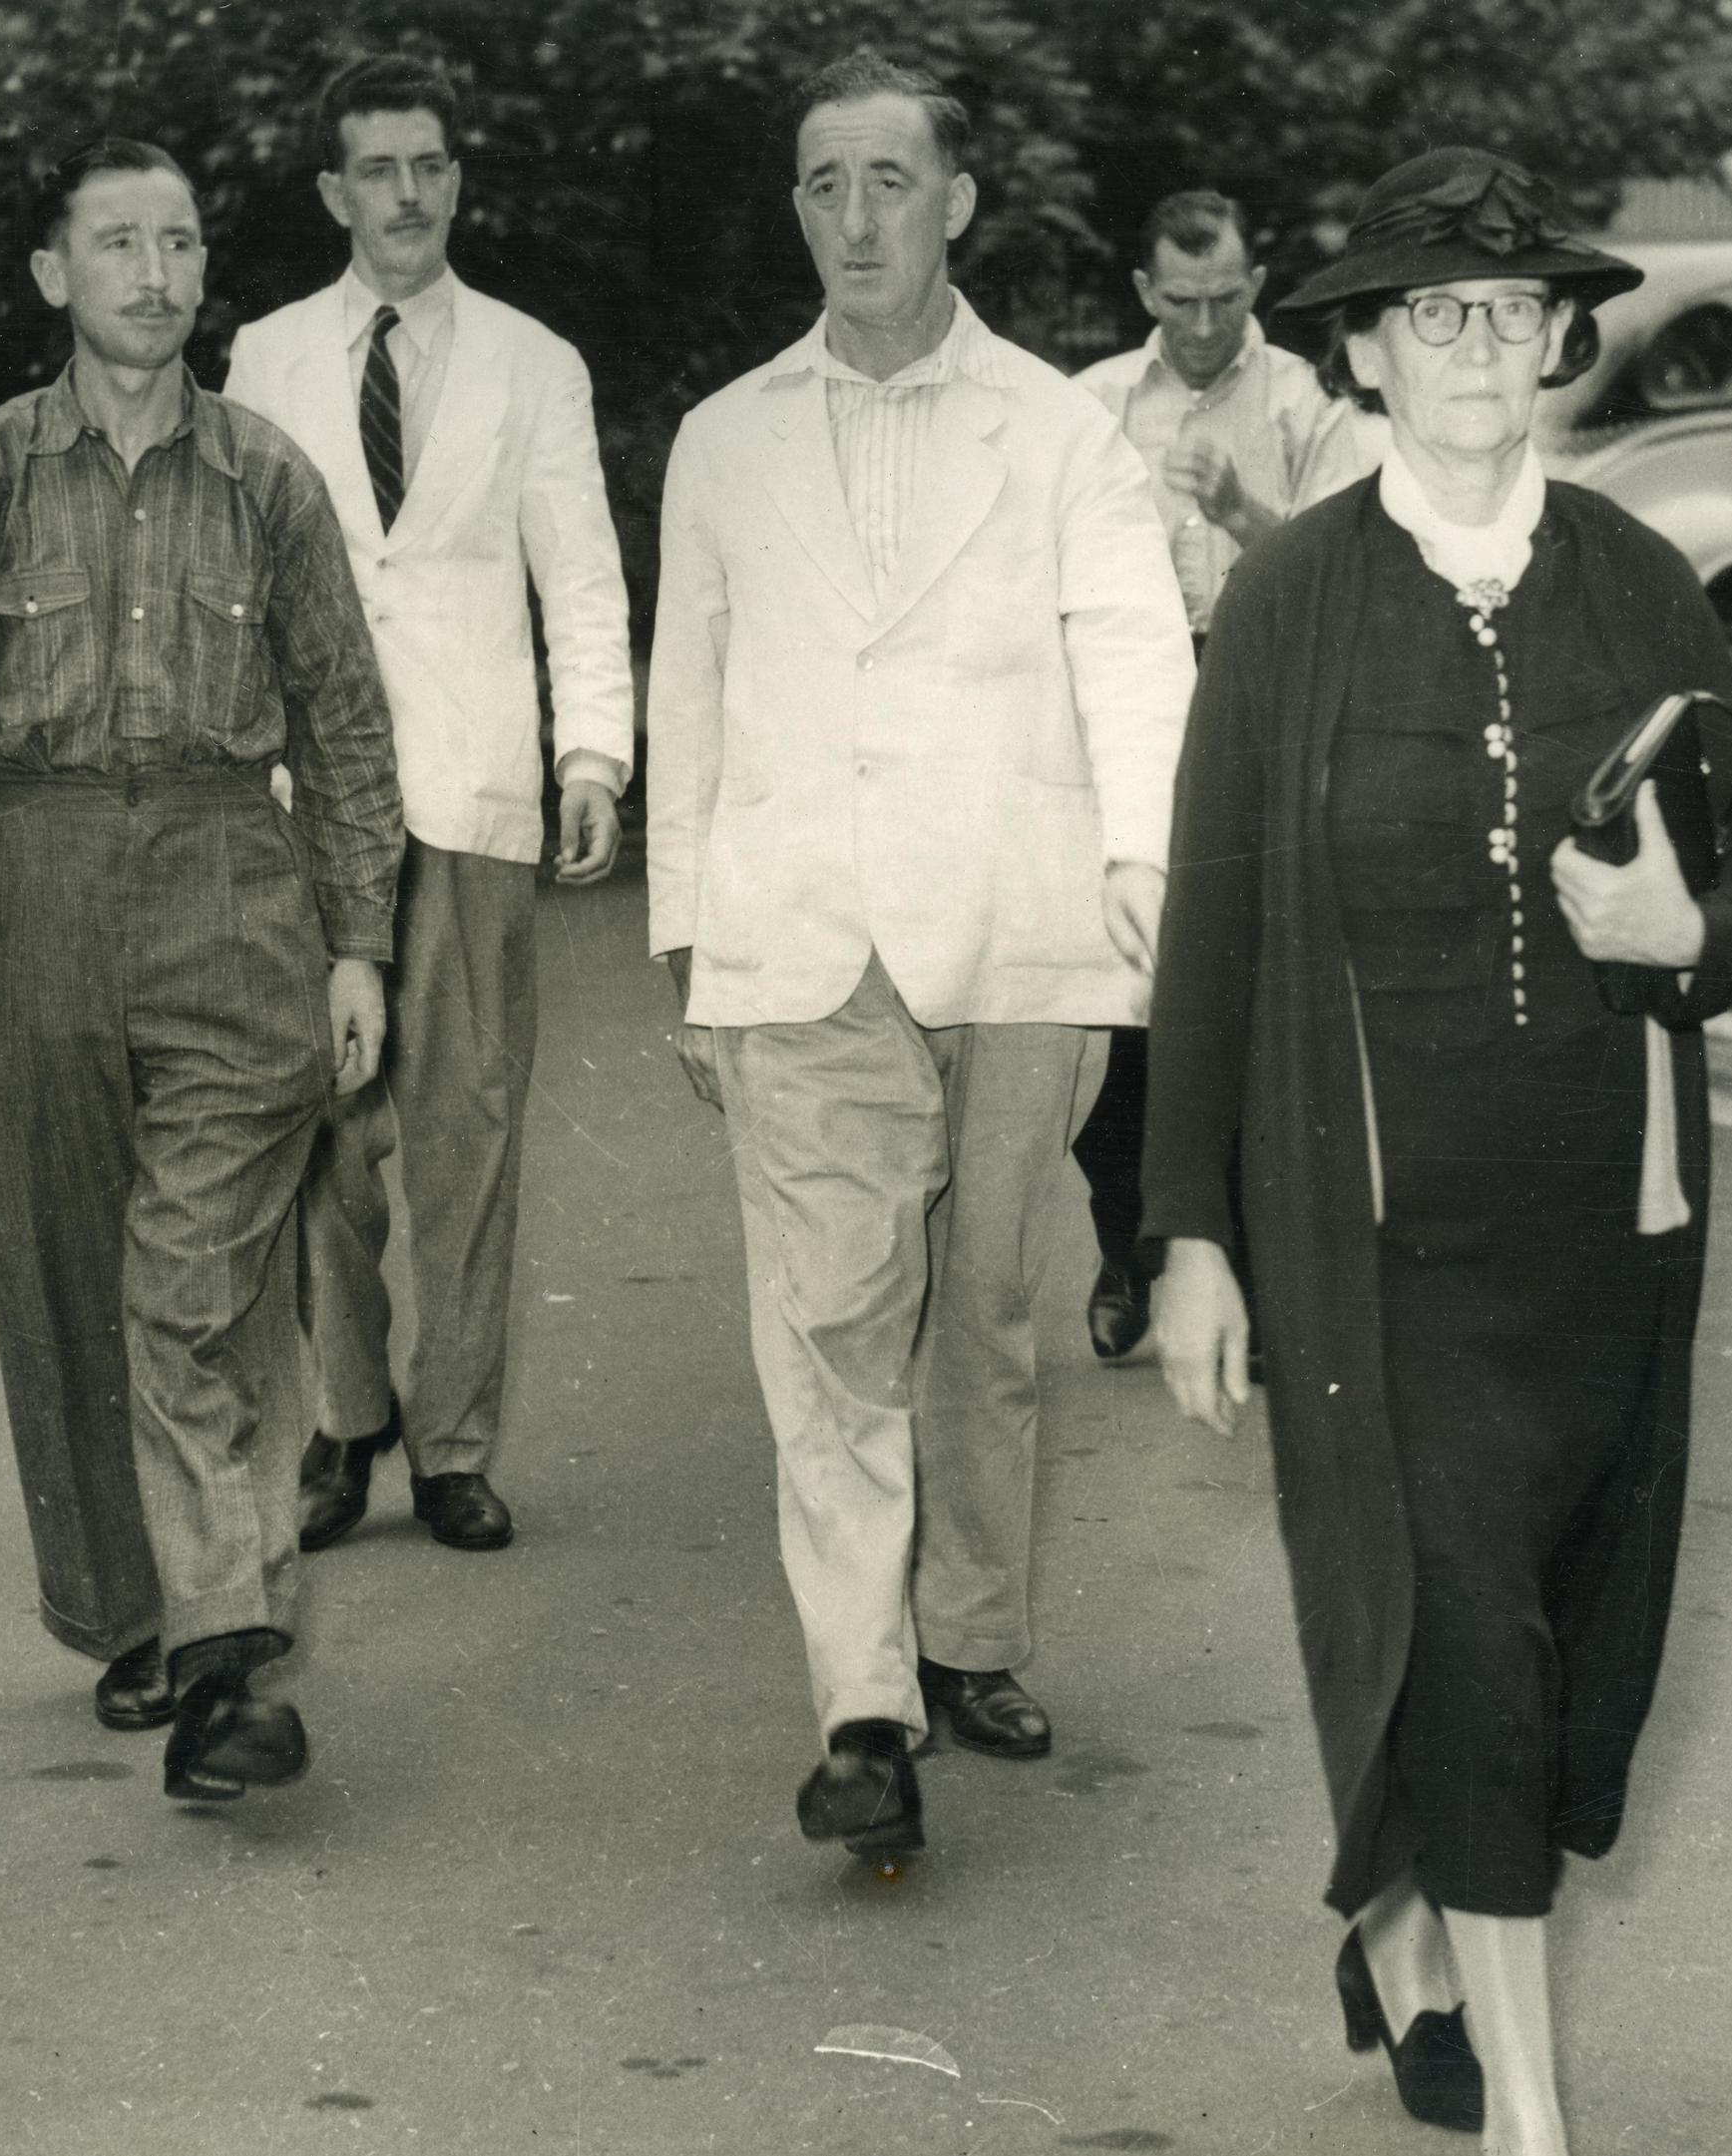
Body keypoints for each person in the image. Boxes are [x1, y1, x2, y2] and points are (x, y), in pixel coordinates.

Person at [1141, 149, 1732, 2152]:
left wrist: (1685, 933)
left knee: (1554, 1650)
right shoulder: (1290, 599)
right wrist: (1191, 1232)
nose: (1477, 348)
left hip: (1604, 1226)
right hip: (1377, 1245)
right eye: (1434, 313)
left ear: (1558, 342)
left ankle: (1408, 1922)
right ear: (1365, 351)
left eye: (1510, 311)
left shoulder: (1642, 580)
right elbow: (1209, 930)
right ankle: (1530, 2112)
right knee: (1472, 1655)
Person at [648, 52, 1195, 1859]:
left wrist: (1143, 876)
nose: (858, 216)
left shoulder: (1060, 433)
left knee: (982, 1315)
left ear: (954, 203)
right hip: (799, 938)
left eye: (891, 180)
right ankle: (865, 1707)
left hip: (1019, 933)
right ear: (797, 211)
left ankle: (968, 1633)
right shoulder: (726, 439)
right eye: (826, 184)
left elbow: (1136, 660)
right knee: (831, 1321)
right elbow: (688, 692)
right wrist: (685, 934)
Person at [0, 140, 404, 1805]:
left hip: (233, 890)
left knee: (194, 1278)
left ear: (207, 270)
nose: (154, 276)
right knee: (67, 1271)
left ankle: (226, 1653)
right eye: (118, 245)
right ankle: (133, 1612)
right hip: (30, 886)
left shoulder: (269, 480)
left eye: (180, 244)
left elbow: (347, 729)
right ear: (53, 276)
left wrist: (358, 943)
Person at [224, 55, 634, 1557]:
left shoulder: (535, 360)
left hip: (471, 793)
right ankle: (347, 1418)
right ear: (334, 192)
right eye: (379, 169)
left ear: (456, 181)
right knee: (320, 1135)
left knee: (467, 1127)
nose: (409, 194)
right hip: (306, 802)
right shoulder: (266, 357)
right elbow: (236, 579)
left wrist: (592, 757)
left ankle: (454, 1441)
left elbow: (579, 572)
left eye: (431, 166)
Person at [1069, 189, 1380, 1362]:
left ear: (1256, 285)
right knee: (1119, 994)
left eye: (1225, 300)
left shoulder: (1310, 402)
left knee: (1247, 987)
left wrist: (1244, 510)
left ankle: (1235, 1255)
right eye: (1180, 302)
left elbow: (1350, 574)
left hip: (1264, 704)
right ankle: (1127, 1242)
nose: (1203, 326)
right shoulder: (1091, 406)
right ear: (1144, 292)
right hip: (1128, 706)